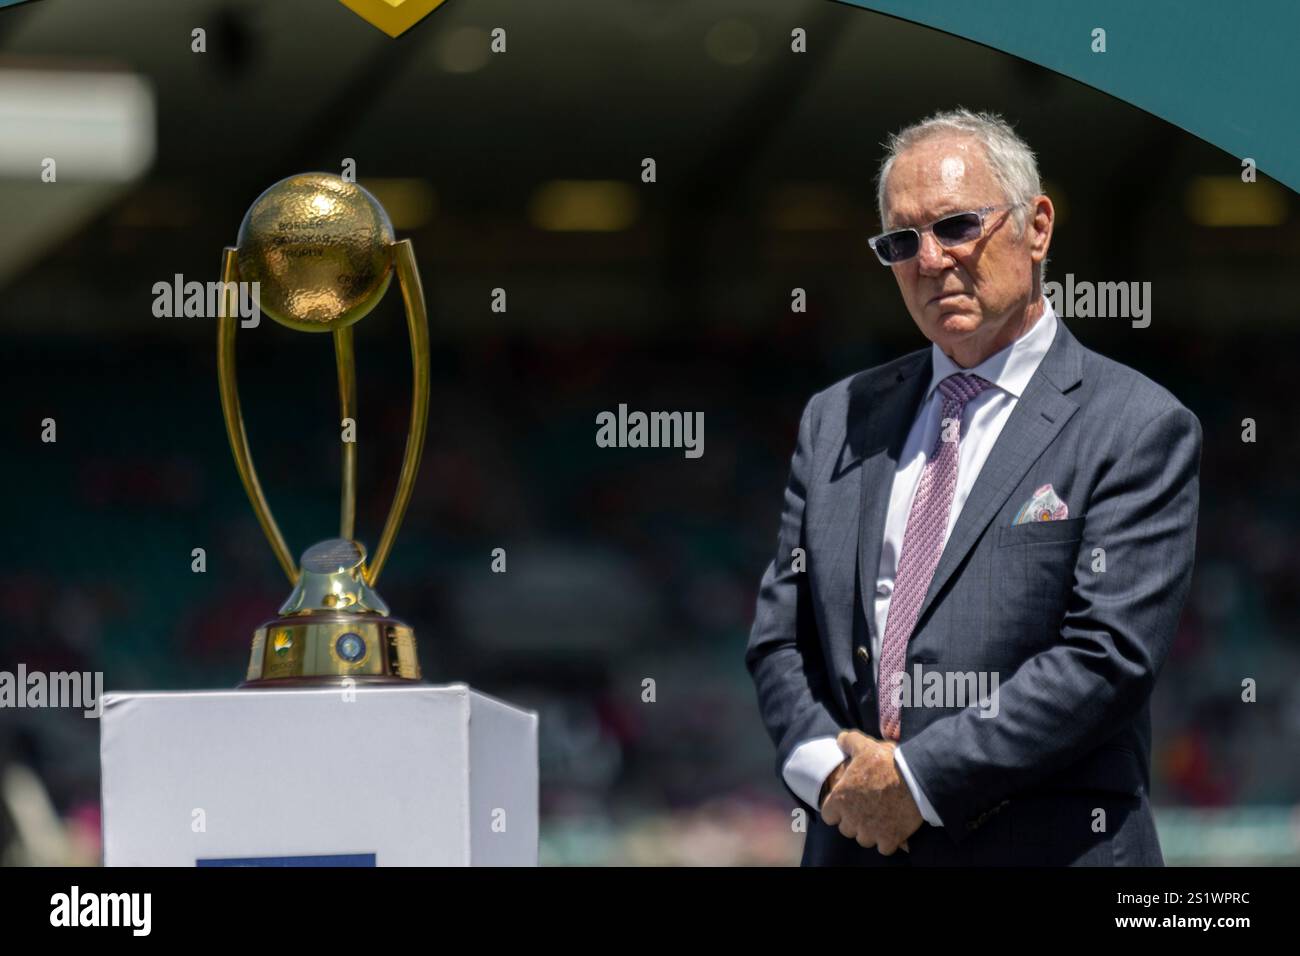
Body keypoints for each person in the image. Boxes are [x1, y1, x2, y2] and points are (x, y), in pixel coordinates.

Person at [745, 108, 1201, 865]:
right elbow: (779, 642)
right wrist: (834, 780)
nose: (930, 260)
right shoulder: (837, 419)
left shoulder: (1137, 424)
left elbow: (1106, 658)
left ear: (1038, 226)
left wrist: (916, 782)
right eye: (901, 242)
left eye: (957, 225)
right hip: (854, 844)